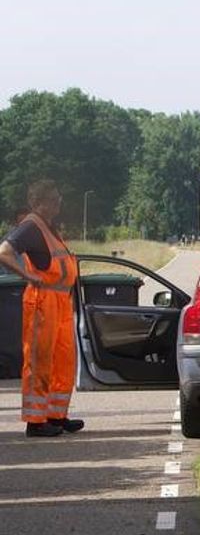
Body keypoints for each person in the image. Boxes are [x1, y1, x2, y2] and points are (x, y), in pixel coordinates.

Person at [0, 180, 83, 437]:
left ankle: (56, 415)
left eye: (58, 199)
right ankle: (35, 422)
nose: (58, 204)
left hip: (60, 301)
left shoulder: (48, 227)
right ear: (37, 203)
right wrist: (27, 275)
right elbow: (4, 252)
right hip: (43, 301)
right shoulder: (30, 226)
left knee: (63, 360)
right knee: (40, 361)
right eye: (53, 200)